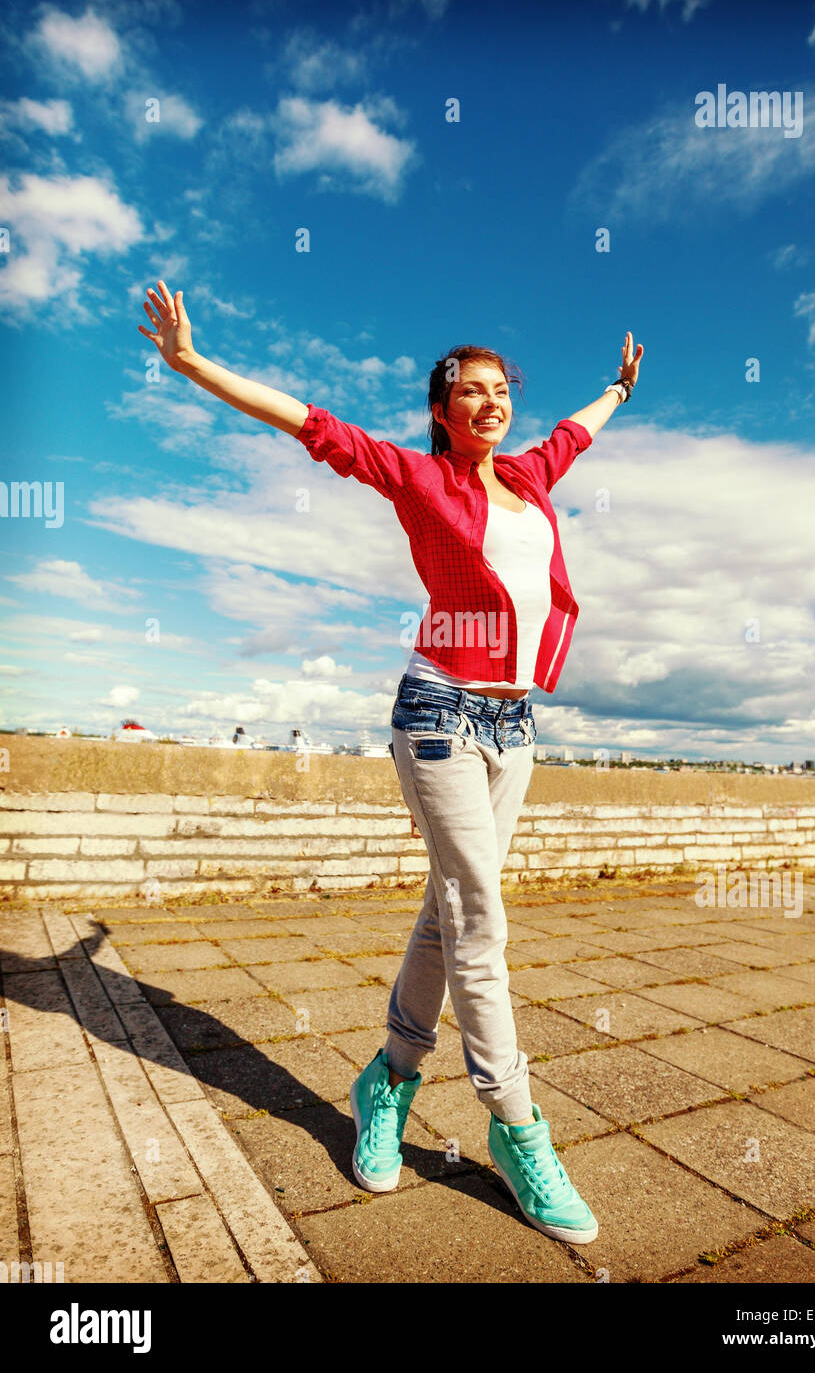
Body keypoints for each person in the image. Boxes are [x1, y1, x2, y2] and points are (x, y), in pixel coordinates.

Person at [138, 280, 643, 1245]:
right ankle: (516, 1127)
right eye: (470, 391)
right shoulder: (418, 478)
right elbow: (310, 424)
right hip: (438, 715)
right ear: (440, 410)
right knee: (479, 918)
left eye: (502, 388)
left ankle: (387, 1082)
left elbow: (578, 432)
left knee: (445, 911)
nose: (491, 401)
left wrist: (617, 391)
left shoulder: (533, 477)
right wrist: (193, 364)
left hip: (513, 728)